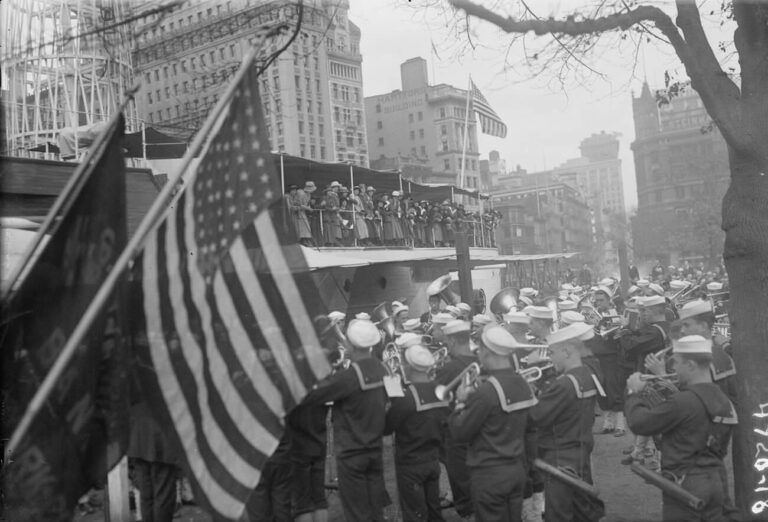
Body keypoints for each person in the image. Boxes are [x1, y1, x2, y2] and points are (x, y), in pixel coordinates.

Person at [625, 336, 737, 522]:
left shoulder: (684, 401)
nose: (673, 368)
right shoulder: (722, 398)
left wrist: (634, 393)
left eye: (676, 363)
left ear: (691, 365)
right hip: (715, 480)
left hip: (685, 484)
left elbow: (639, 423)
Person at [301, 318, 388, 521]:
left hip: (352, 454)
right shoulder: (381, 368)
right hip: (375, 450)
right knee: (375, 512)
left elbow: (312, 395)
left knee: (357, 514)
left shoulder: (349, 377)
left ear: (352, 345)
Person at [449, 324, 537, 522]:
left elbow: (459, 433)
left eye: (480, 350)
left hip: (489, 474)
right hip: (517, 469)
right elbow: (532, 428)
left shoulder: (486, 392)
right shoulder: (522, 383)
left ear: (488, 352)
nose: (478, 354)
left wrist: (460, 402)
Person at [529, 322, 603, 522]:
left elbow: (535, 417)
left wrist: (529, 394)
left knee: (558, 513)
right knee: (581, 509)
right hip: (580, 450)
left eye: (552, 353)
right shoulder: (587, 375)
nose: (550, 358)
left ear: (567, 351)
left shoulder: (564, 383)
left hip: (560, 455)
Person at [385, 345, 450, 522]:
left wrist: (391, 401)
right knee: (434, 510)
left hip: (410, 462)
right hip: (432, 458)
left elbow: (387, 427)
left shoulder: (407, 397)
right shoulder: (440, 391)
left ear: (409, 366)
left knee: (414, 513)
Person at [433, 319, 476, 520]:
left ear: (451, 341)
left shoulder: (448, 369)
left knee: (462, 483)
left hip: (455, 434)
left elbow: (434, 400)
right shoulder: (481, 361)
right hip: (479, 431)